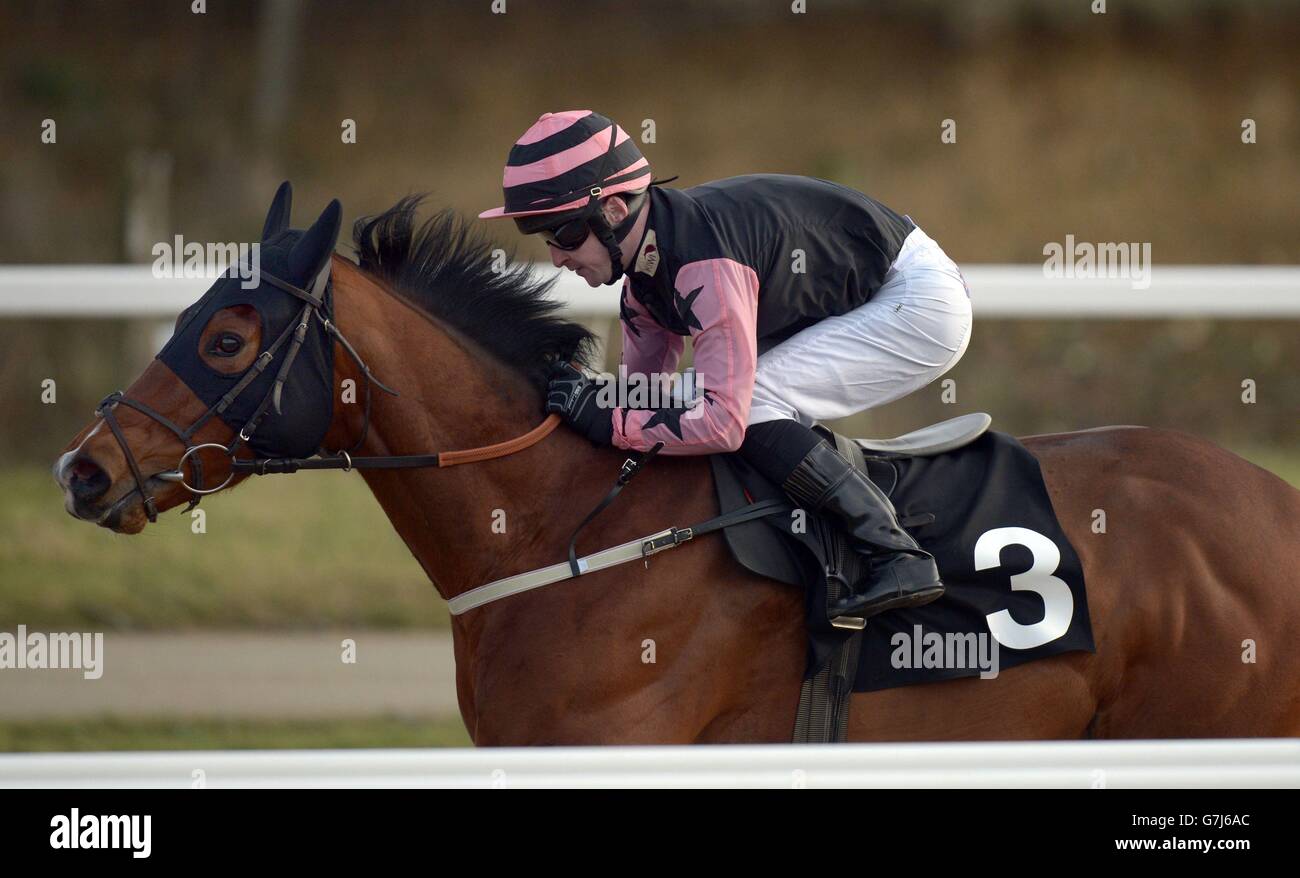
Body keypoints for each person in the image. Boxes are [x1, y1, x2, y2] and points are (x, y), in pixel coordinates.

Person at [479, 110, 972, 620]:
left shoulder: (703, 264)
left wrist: (612, 420)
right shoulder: (644, 283)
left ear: (614, 210)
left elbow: (723, 423)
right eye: (545, 240)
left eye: (563, 234)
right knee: (696, 400)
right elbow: (643, 394)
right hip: (866, 290)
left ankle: (895, 553)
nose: (558, 258)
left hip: (918, 301)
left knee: (751, 403)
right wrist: (582, 395)